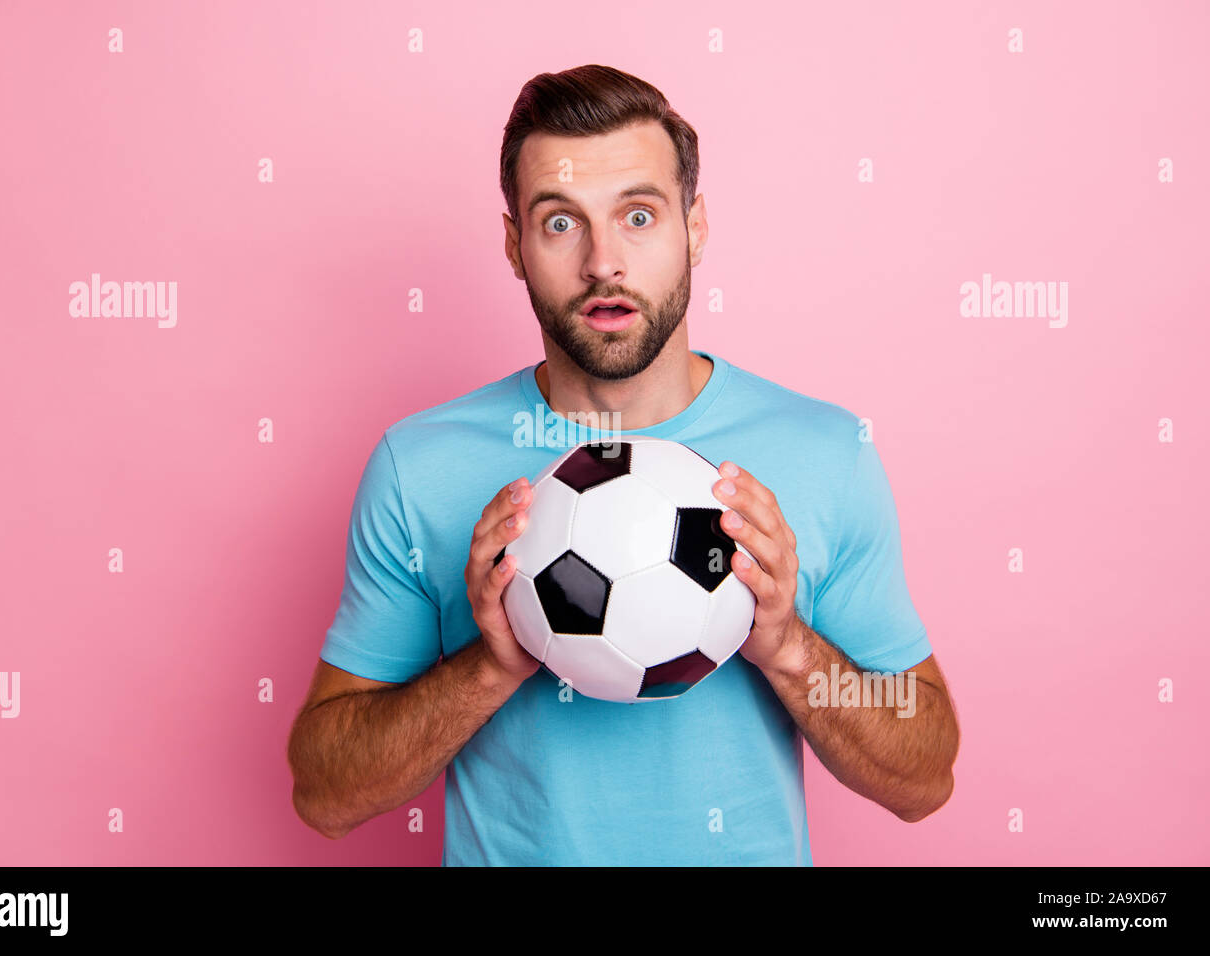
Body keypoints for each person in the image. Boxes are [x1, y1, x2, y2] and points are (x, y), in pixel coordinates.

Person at [287, 64, 959, 865]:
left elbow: (925, 780)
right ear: (514, 245)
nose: (604, 261)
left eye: (638, 215)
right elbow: (324, 796)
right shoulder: (419, 465)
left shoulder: (824, 452)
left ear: (695, 227)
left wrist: (787, 647)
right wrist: (489, 665)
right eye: (561, 223)